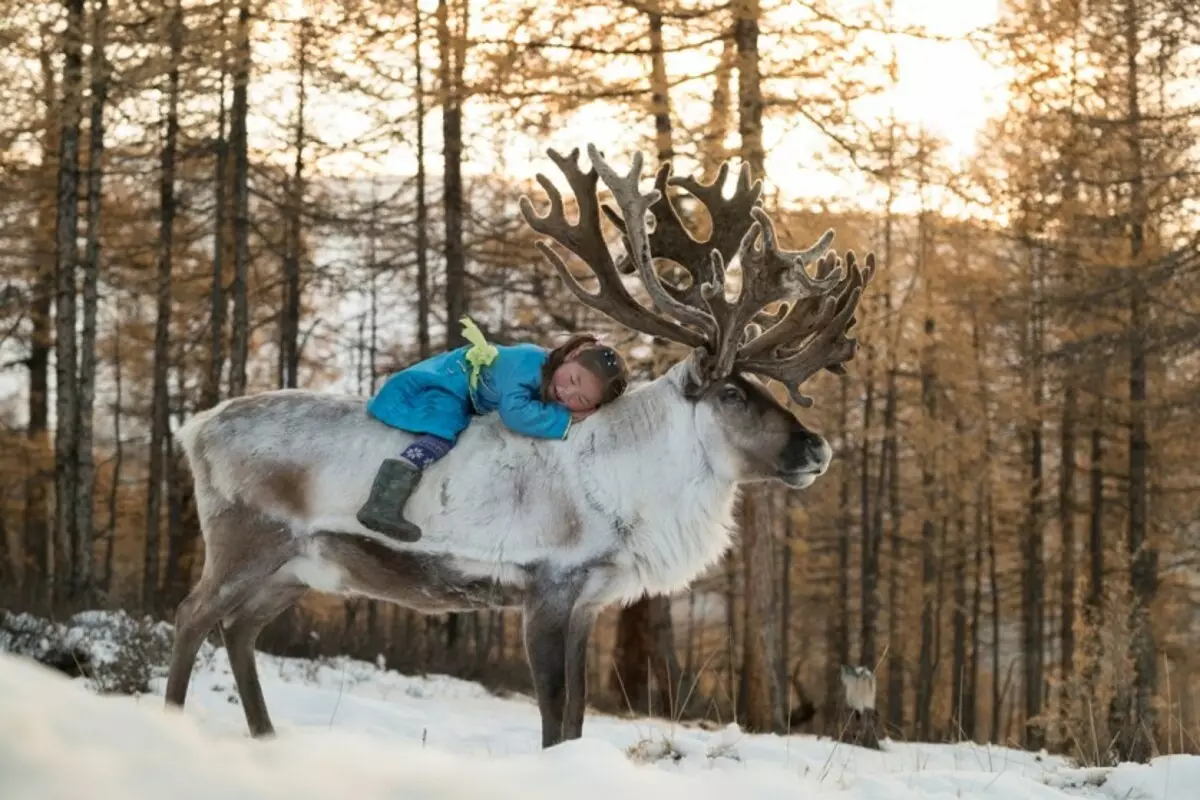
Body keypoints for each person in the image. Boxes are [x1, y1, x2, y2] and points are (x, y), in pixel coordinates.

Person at [356, 317, 629, 542]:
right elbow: (515, 413)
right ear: (572, 354)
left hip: (465, 391)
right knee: (444, 429)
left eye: (579, 400)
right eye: (572, 379)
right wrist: (567, 419)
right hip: (449, 381)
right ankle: (383, 500)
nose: (566, 392)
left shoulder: (549, 376)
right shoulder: (531, 363)